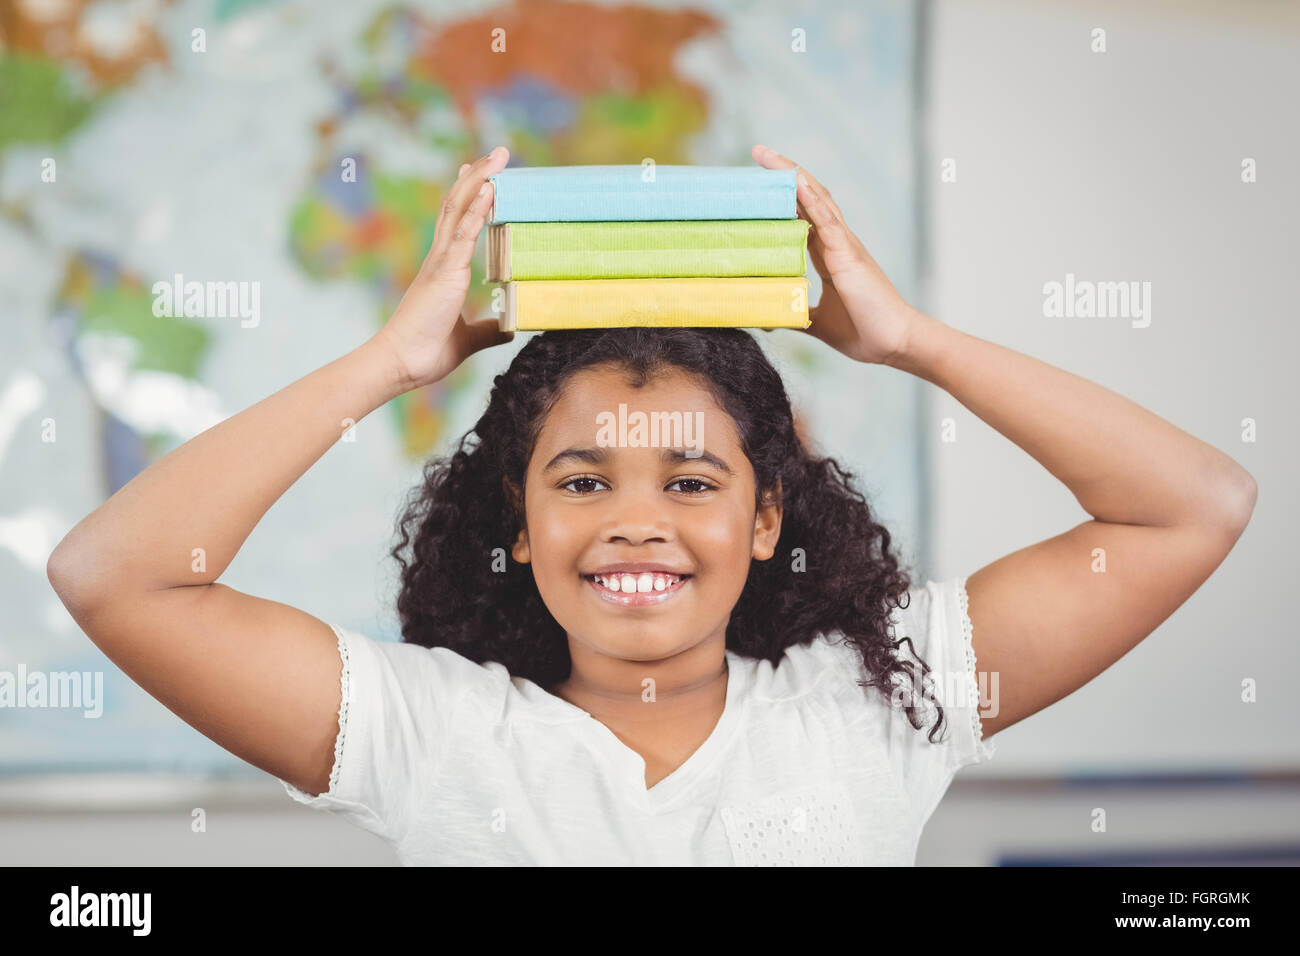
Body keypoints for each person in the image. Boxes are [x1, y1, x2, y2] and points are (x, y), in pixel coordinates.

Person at [46, 145, 1256, 865]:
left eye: (691, 481)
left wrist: (908, 341)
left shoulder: (889, 699)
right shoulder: (433, 730)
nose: (637, 521)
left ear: (765, 517)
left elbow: (1191, 504)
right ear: (516, 521)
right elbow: (116, 575)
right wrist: (391, 365)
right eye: (582, 481)